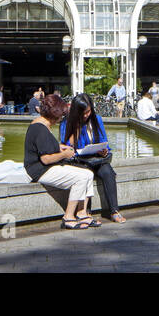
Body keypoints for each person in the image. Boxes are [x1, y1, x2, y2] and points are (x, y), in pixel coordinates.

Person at [23, 93, 97, 229]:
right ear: (54, 115)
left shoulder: (41, 124)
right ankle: (68, 216)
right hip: (40, 170)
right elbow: (45, 159)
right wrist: (65, 155)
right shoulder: (41, 129)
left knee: (88, 174)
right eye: (61, 116)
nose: (61, 119)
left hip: (44, 168)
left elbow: (43, 146)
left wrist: (58, 147)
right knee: (80, 177)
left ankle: (82, 212)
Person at [61, 92, 126, 223]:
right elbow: (66, 146)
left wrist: (104, 150)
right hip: (79, 160)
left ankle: (114, 210)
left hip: (96, 158)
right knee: (86, 174)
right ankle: (86, 211)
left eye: (88, 111)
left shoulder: (96, 119)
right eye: (83, 113)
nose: (86, 115)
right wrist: (77, 127)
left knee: (108, 172)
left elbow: (103, 140)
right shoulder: (67, 122)